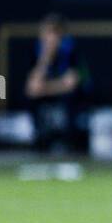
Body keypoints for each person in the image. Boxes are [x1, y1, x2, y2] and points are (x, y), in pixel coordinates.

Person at [25, 13, 88, 152]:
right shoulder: (37, 52)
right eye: (45, 34)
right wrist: (45, 59)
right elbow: (31, 88)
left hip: (70, 99)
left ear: (60, 35)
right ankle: (40, 138)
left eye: (52, 34)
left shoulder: (71, 51)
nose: (48, 39)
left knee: (72, 97)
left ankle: (71, 141)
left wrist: (44, 88)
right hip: (48, 95)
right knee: (30, 100)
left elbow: (70, 85)